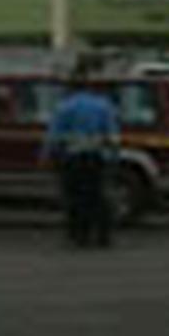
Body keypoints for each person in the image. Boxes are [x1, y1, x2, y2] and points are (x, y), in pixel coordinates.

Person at [45, 69, 123, 248]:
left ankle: (79, 235)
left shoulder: (65, 107)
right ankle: (103, 235)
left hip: (73, 157)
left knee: (74, 197)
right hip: (96, 157)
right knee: (98, 196)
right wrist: (113, 155)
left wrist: (47, 154)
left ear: (71, 88)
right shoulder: (103, 105)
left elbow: (55, 136)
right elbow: (112, 135)